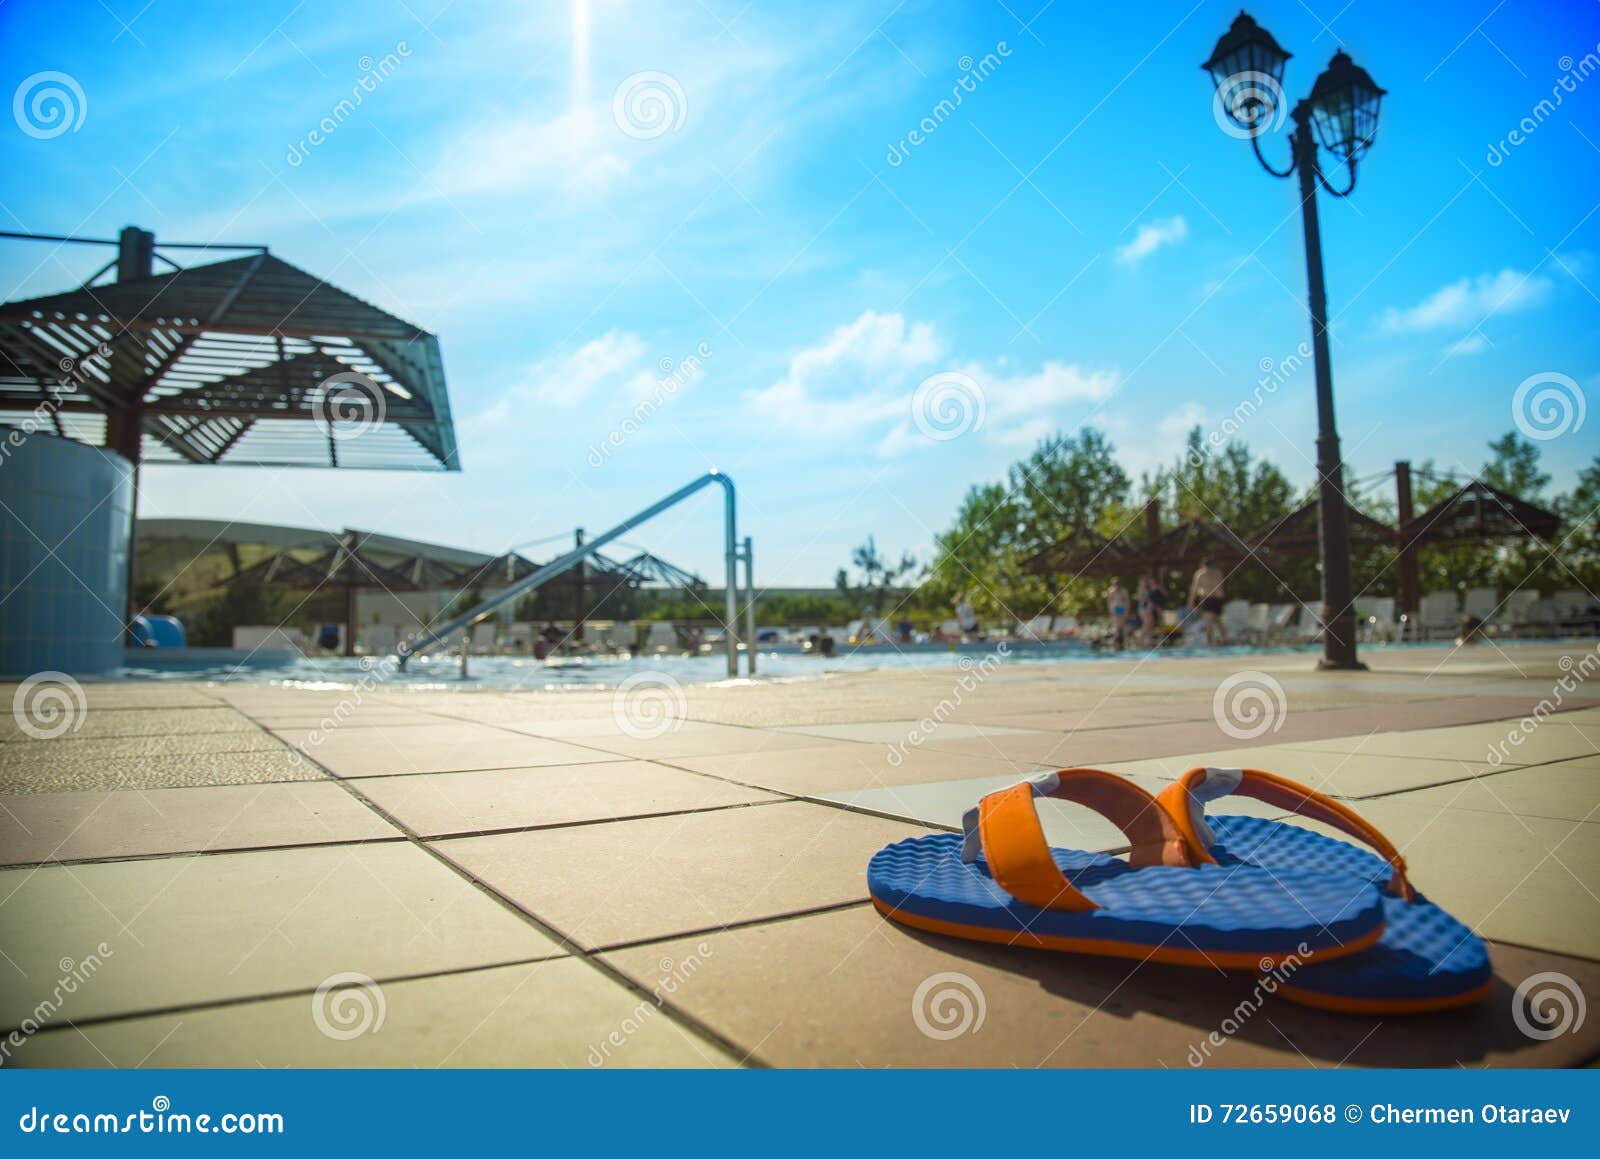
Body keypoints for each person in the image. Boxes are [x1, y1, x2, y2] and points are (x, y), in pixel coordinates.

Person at [1187, 557, 1229, 646]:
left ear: (1202, 565)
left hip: (1208, 598)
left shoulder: (1200, 573)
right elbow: (1221, 587)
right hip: (1219, 598)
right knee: (1218, 620)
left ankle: (1209, 643)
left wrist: (1190, 602)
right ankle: (1225, 639)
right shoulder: (1218, 572)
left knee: (1208, 622)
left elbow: (1194, 589)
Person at [1138, 574, 1169, 646]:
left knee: (1154, 623)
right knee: (1147, 624)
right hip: (1147, 608)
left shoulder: (1154, 588)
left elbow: (1165, 595)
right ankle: (1142, 639)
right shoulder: (1145, 589)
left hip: (1153, 608)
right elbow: (1143, 599)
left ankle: (1150, 639)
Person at [1106, 579, 1132, 650]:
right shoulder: (1111, 590)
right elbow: (1109, 602)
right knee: (1117, 627)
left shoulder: (1123, 591)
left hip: (1121, 607)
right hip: (1115, 608)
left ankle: (1124, 642)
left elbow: (1127, 601)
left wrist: (1127, 611)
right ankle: (1117, 643)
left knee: (1123, 626)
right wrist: (1111, 611)